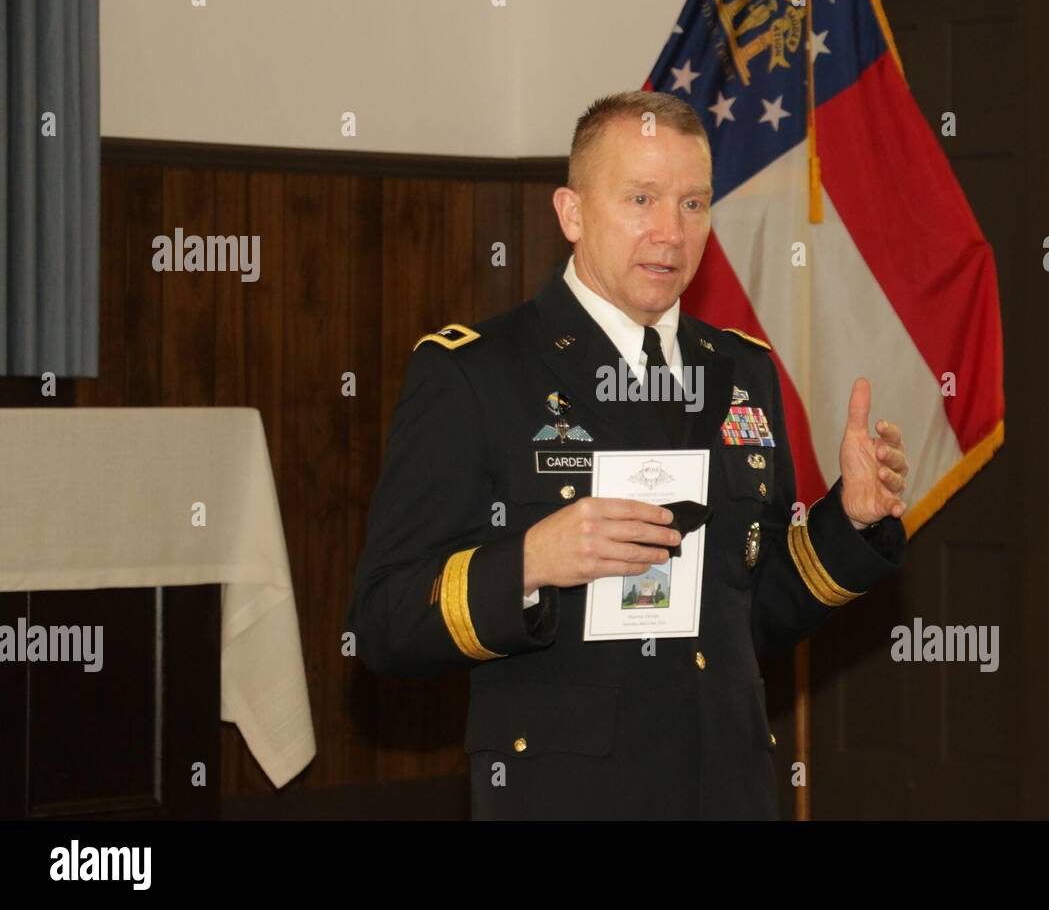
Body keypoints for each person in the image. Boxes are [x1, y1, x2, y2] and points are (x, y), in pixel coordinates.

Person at [346, 90, 910, 819]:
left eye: (693, 204)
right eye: (641, 199)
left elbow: (752, 610)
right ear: (572, 214)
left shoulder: (742, 369)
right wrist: (530, 562)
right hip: (571, 797)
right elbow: (385, 621)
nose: (670, 233)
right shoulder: (477, 374)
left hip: (726, 791)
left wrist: (851, 523)